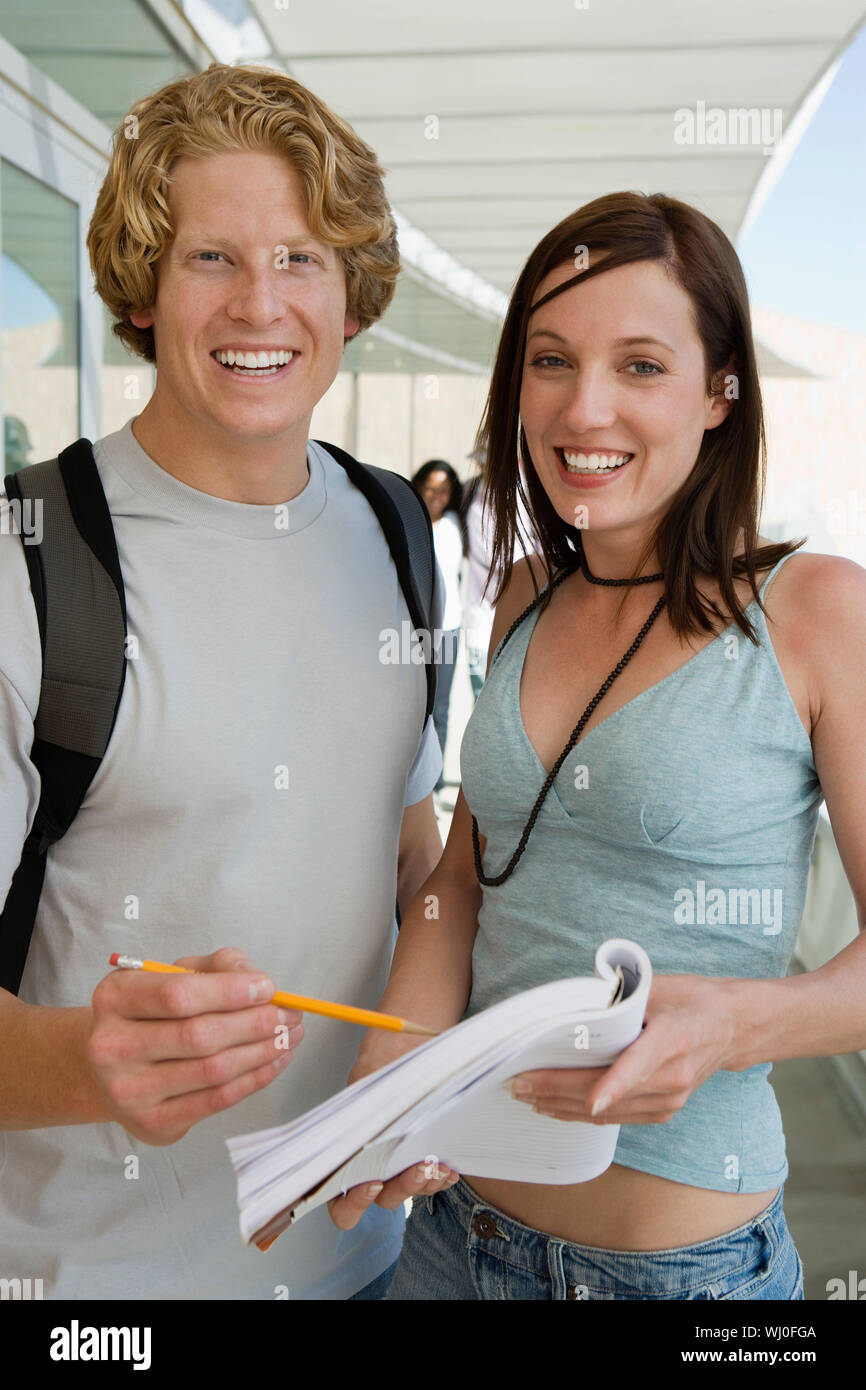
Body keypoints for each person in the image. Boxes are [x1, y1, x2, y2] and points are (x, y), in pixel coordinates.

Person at [327, 191, 866, 1300]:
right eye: (551, 359)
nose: (584, 408)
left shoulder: (815, 613)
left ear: (721, 393)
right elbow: (464, 883)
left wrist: (729, 1024)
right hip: (450, 1239)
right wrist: (400, 1065)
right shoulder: (525, 593)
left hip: (685, 1274)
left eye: (639, 366)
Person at [0, 62, 447, 1301]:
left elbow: (410, 859)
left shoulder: (397, 529)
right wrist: (82, 1063)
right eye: (212, 259)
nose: (263, 303)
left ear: (352, 294)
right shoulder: (29, 564)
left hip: (368, 1260)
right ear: (143, 287)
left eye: (303, 258)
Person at [411, 460, 464, 791]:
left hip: (449, 629)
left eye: (443, 490)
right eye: (430, 487)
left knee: (440, 710)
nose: (436, 495)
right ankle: (409, 783)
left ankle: (435, 783)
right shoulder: (410, 522)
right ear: (418, 485)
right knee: (413, 708)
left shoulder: (457, 524)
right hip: (414, 630)